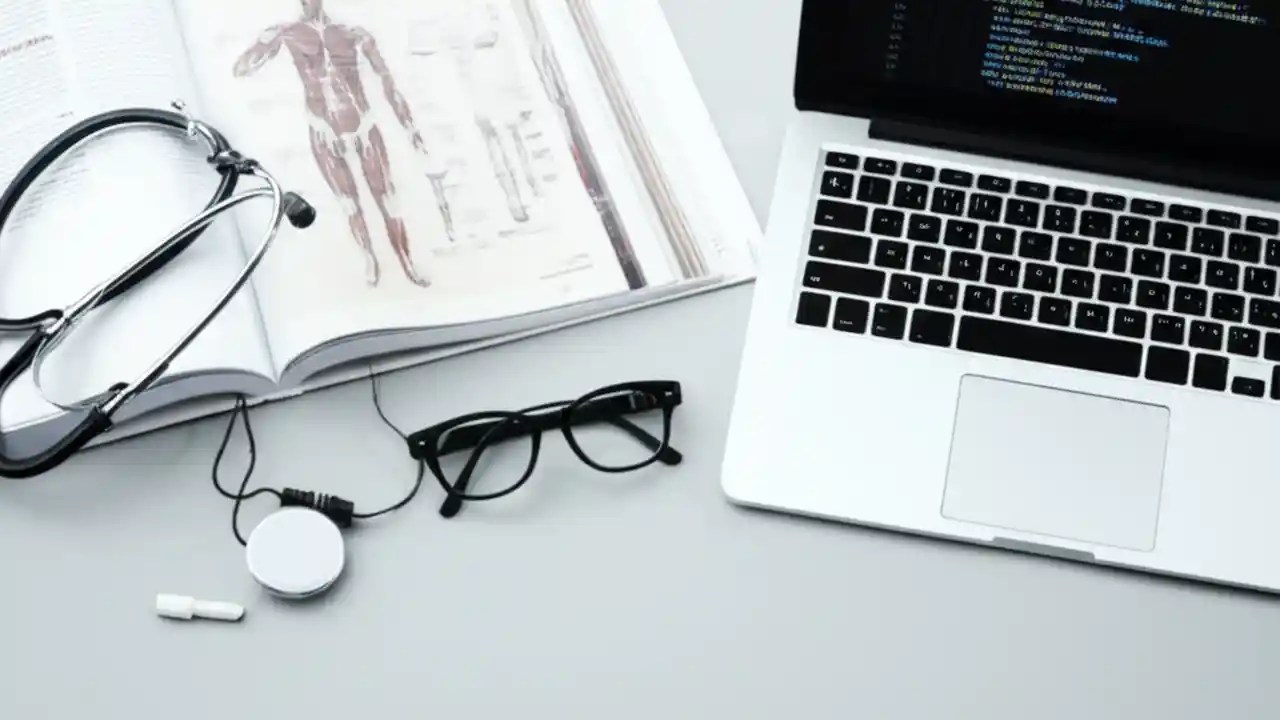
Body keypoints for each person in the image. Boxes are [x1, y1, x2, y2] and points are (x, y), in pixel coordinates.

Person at [233, 0, 455, 287]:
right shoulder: (287, 33)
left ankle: (406, 263)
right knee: (349, 204)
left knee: (388, 199)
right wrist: (262, 45)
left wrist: (411, 128)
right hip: (322, 127)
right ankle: (370, 261)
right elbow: (241, 69)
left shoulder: (353, 33)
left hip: (362, 123)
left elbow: (388, 83)